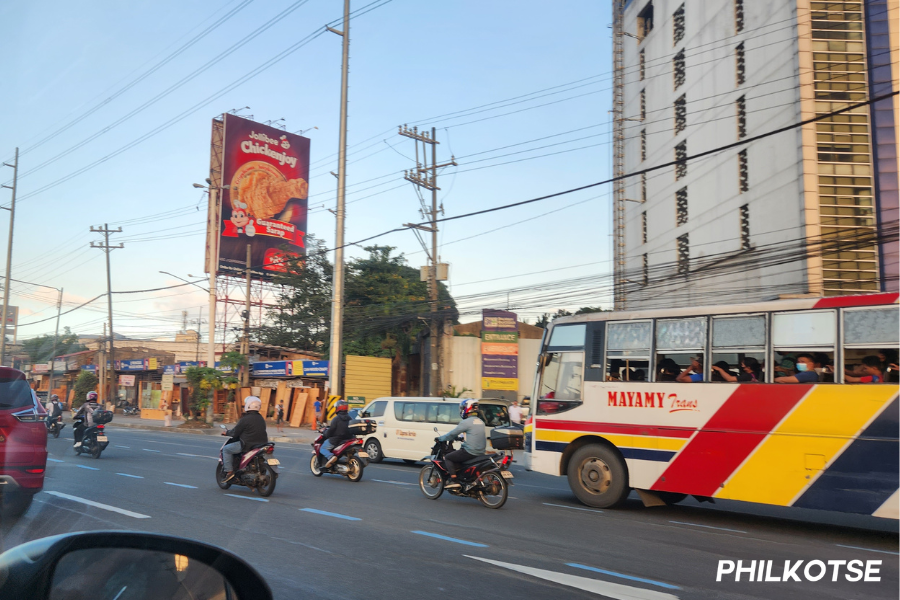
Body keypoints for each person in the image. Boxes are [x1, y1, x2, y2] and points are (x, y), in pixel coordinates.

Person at [437, 399, 486, 489]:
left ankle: (454, 480)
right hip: (481, 452)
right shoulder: (481, 421)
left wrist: (441, 438)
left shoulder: (466, 422)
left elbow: (452, 434)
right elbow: (473, 434)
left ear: (467, 409)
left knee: (448, 457)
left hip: (470, 451)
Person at [221, 396, 267, 482]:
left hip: (247, 445)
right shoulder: (261, 418)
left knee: (226, 449)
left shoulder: (245, 419)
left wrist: (226, 432)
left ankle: (230, 472)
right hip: (261, 444)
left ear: (248, 405)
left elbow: (235, 432)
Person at [320, 400, 353, 468]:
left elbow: (331, 431)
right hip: (348, 440)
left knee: (322, 448)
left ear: (338, 408)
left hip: (336, 441)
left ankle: (331, 456)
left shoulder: (336, 419)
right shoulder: (350, 418)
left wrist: (325, 432)